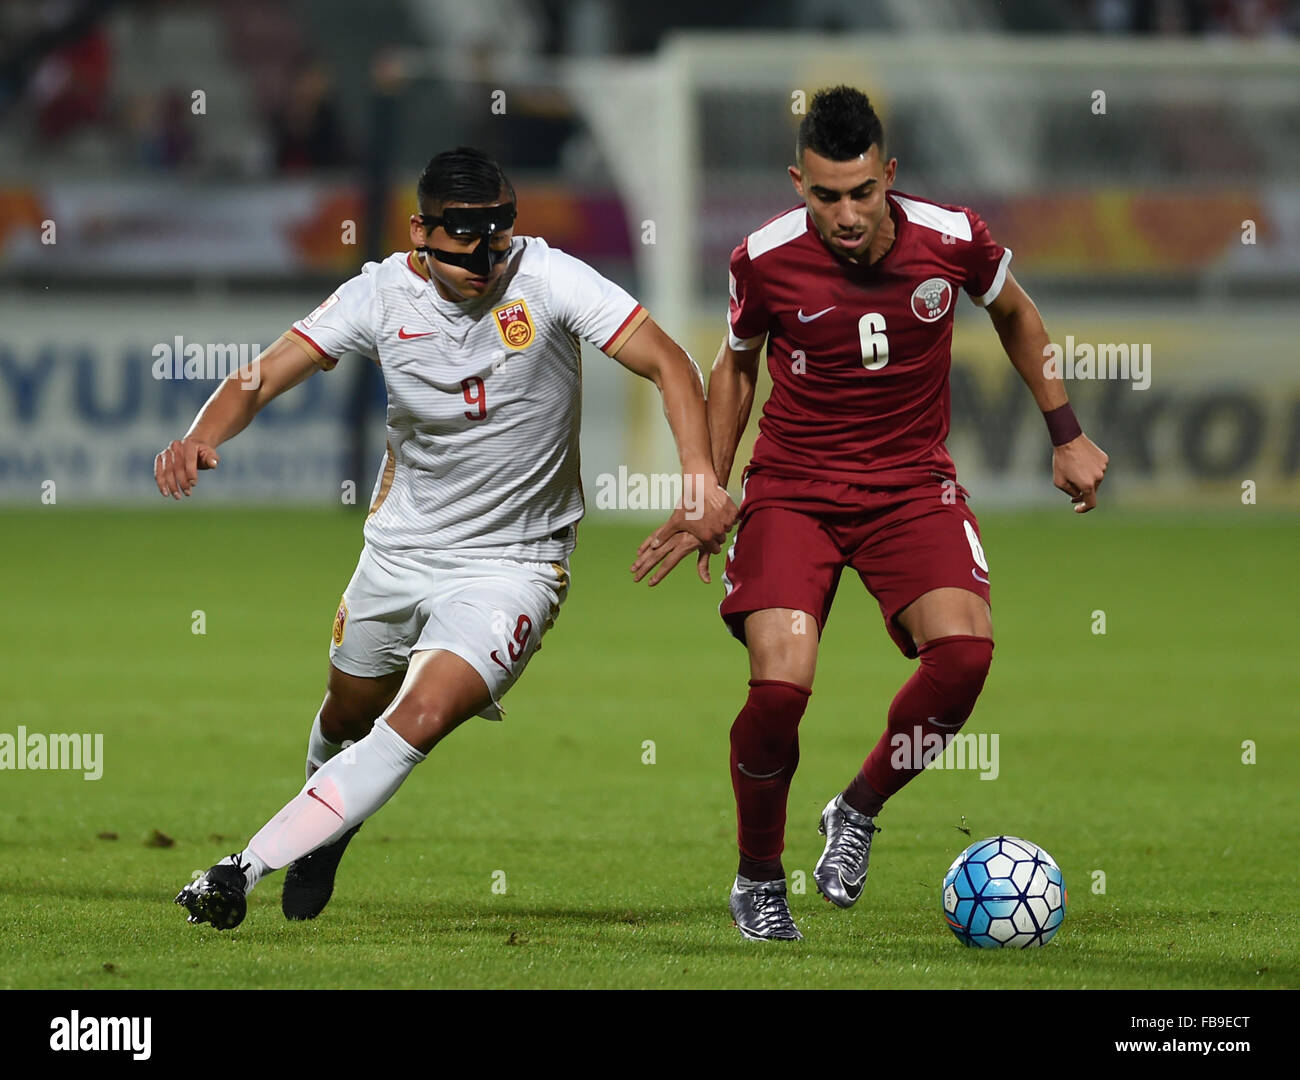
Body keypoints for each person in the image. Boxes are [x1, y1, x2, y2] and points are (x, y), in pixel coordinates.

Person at [160, 146, 736, 930]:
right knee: (346, 712)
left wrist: (698, 479)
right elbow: (264, 373)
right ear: (419, 230)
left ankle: (244, 866)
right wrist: (200, 434)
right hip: (399, 553)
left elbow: (671, 364)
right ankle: (328, 827)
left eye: (497, 240)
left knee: (421, 716)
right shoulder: (377, 294)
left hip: (515, 565)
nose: (485, 261)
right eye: (464, 243)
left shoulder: (551, 280)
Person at [632, 86, 1108, 941]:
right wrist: (712, 483)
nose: (846, 215)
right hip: (794, 488)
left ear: (888, 175)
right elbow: (736, 367)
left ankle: (856, 807)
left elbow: (1015, 312)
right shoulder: (762, 258)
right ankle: (759, 877)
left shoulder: (954, 238)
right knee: (781, 689)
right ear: (798, 183)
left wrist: (1066, 433)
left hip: (910, 486)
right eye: (824, 196)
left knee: (963, 661)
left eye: (861, 193)